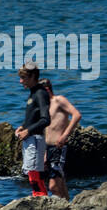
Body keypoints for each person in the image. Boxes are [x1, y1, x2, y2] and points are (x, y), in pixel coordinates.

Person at [15, 62, 52, 196]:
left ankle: (41, 198)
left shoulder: (40, 93)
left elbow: (46, 119)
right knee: (31, 173)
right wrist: (23, 126)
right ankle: (39, 196)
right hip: (30, 139)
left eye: (23, 78)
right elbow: (34, 116)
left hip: (35, 139)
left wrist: (28, 131)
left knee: (34, 173)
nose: (20, 81)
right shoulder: (33, 93)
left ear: (33, 77)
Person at [42, 78, 81, 199]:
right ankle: (67, 206)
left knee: (53, 186)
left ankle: (58, 207)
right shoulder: (45, 106)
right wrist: (44, 154)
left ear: (47, 90)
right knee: (60, 181)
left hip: (58, 146)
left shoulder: (58, 100)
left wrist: (65, 135)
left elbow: (76, 115)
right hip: (48, 147)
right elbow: (46, 130)